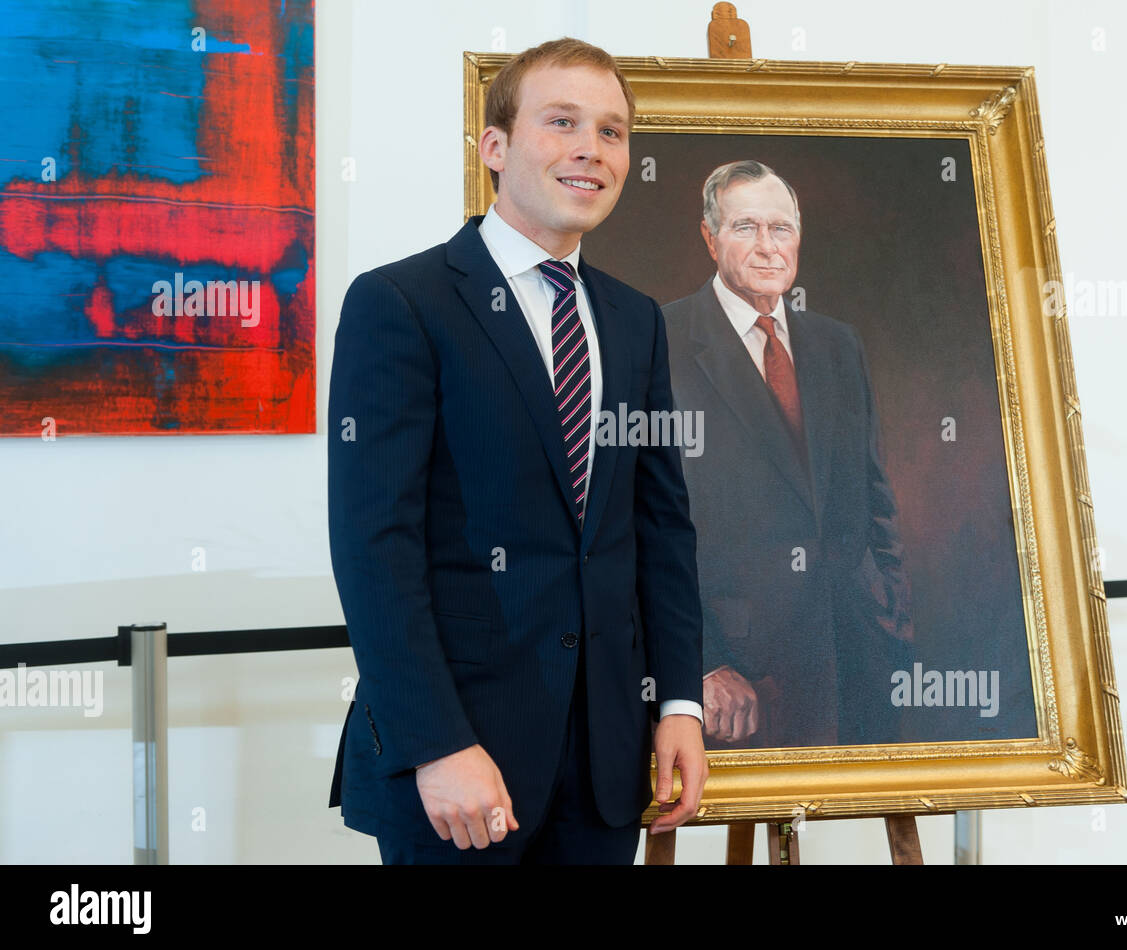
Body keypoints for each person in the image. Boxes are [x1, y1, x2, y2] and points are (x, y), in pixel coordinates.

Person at [326, 38, 706, 864]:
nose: (590, 150)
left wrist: (679, 701)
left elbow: (661, 529)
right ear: (495, 148)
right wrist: (435, 743)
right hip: (460, 772)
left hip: (605, 767)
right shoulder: (400, 304)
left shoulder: (637, 319)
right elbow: (373, 549)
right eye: (561, 122)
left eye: (612, 132)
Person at [662, 159, 913, 750]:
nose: (768, 247)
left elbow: (874, 499)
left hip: (855, 654)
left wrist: (893, 614)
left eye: (782, 228)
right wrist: (700, 664)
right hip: (739, 681)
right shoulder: (658, 340)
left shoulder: (836, 344)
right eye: (746, 227)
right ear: (709, 236)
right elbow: (641, 528)